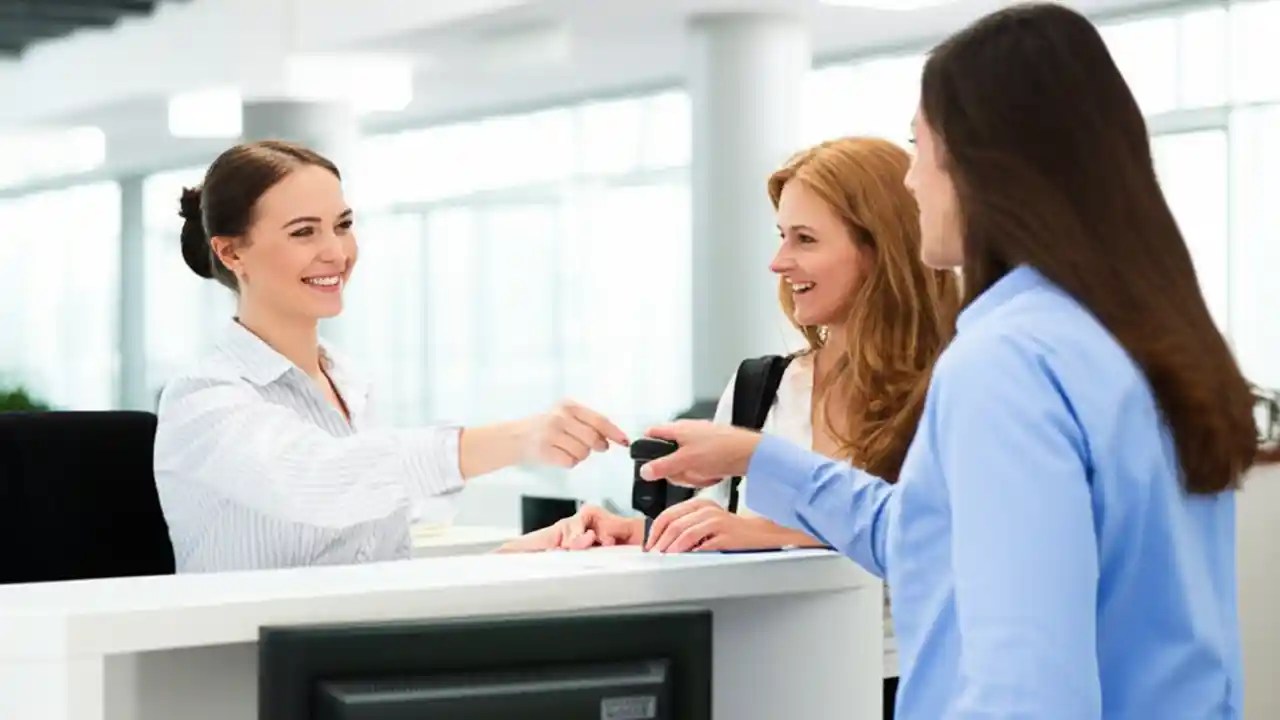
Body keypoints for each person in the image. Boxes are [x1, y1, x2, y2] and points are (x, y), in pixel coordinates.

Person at [626, 4, 1280, 719]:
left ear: (981, 167)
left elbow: (1026, 693)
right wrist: (761, 457)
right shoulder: (1142, 339)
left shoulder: (1006, 365)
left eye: (919, 146)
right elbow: (926, 535)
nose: (910, 181)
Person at [500, 136, 961, 717]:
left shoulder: (952, 386)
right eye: (781, 236)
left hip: (902, 691)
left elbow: (943, 544)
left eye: (805, 239)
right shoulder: (758, 389)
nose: (779, 261)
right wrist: (646, 539)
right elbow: (720, 542)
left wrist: (776, 535)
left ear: (879, 250)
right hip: (765, 685)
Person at [153, 140, 629, 573]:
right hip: (243, 660)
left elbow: (382, 543)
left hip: (351, 651)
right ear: (232, 252)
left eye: (343, 225)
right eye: (304, 232)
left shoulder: (348, 382)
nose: (336, 252)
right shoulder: (204, 397)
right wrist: (519, 438)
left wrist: (525, 550)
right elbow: (328, 483)